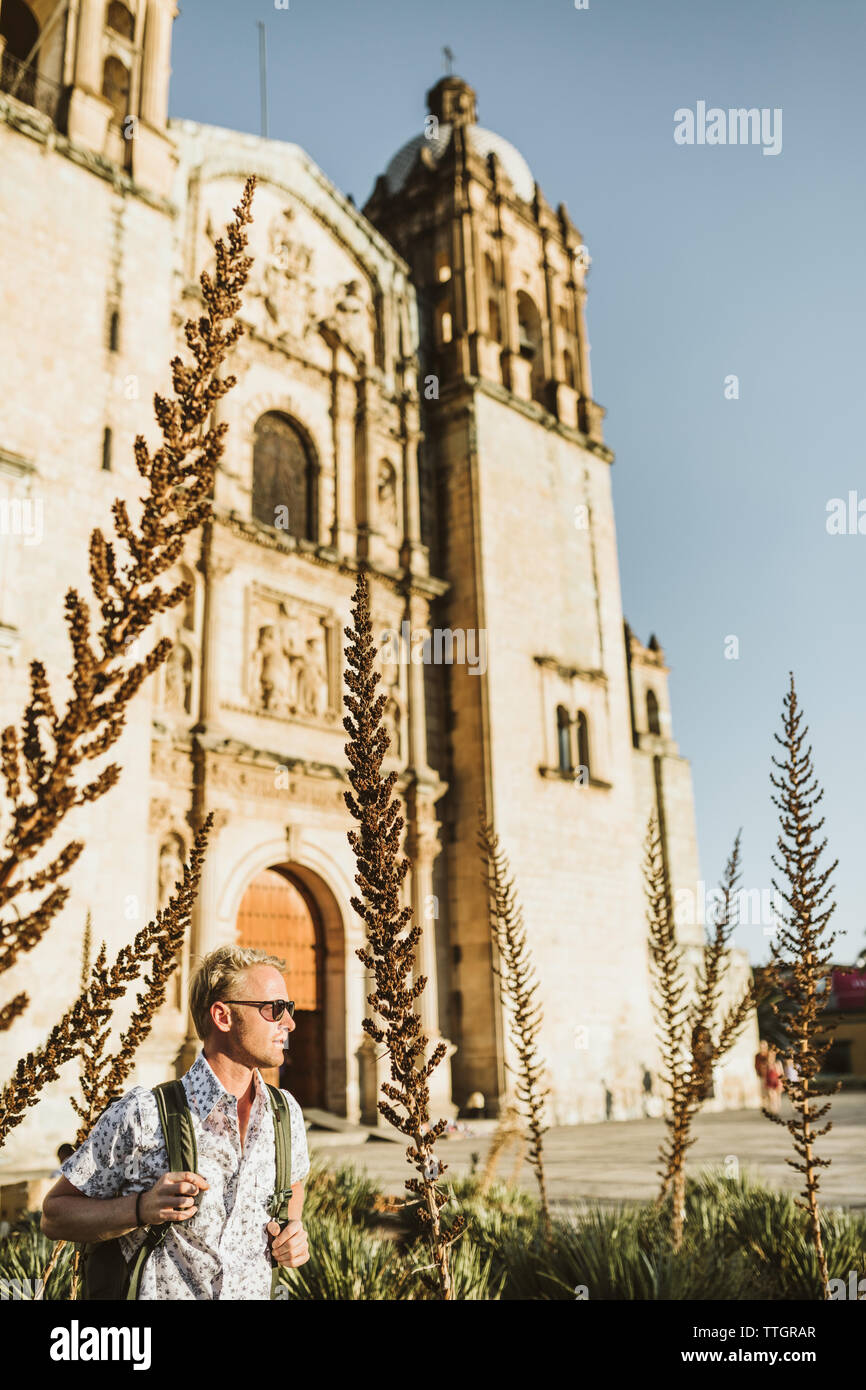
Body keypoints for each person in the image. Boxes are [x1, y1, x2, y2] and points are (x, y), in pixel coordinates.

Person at [41, 946, 311, 1299]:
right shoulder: (142, 1114)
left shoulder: (285, 1113)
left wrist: (293, 1236)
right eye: (275, 1009)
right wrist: (141, 1209)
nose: (289, 1023)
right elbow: (55, 1215)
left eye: (287, 1010)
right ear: (223, 1016)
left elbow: (293, 1194)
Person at [765, 1047, 783, 1115]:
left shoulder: (777, 1063)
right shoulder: (767, 1064)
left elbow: (781, 1074)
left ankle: (777, 1110)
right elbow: (765, 1075)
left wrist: (781, 1084)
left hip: (776, 1082)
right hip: (769, 1083)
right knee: (771, 1097)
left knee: (777, 1097)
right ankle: (773, 1110)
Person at [754, 1040, 770, 1106]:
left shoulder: (769, 1054)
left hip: (769, 1076)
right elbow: (756, 1065)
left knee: (770, 1092)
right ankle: (765, 1106)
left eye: (764, 1047)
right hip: (762, 1076)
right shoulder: (757, 1056)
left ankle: (772, 1108)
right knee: (763, 1093)